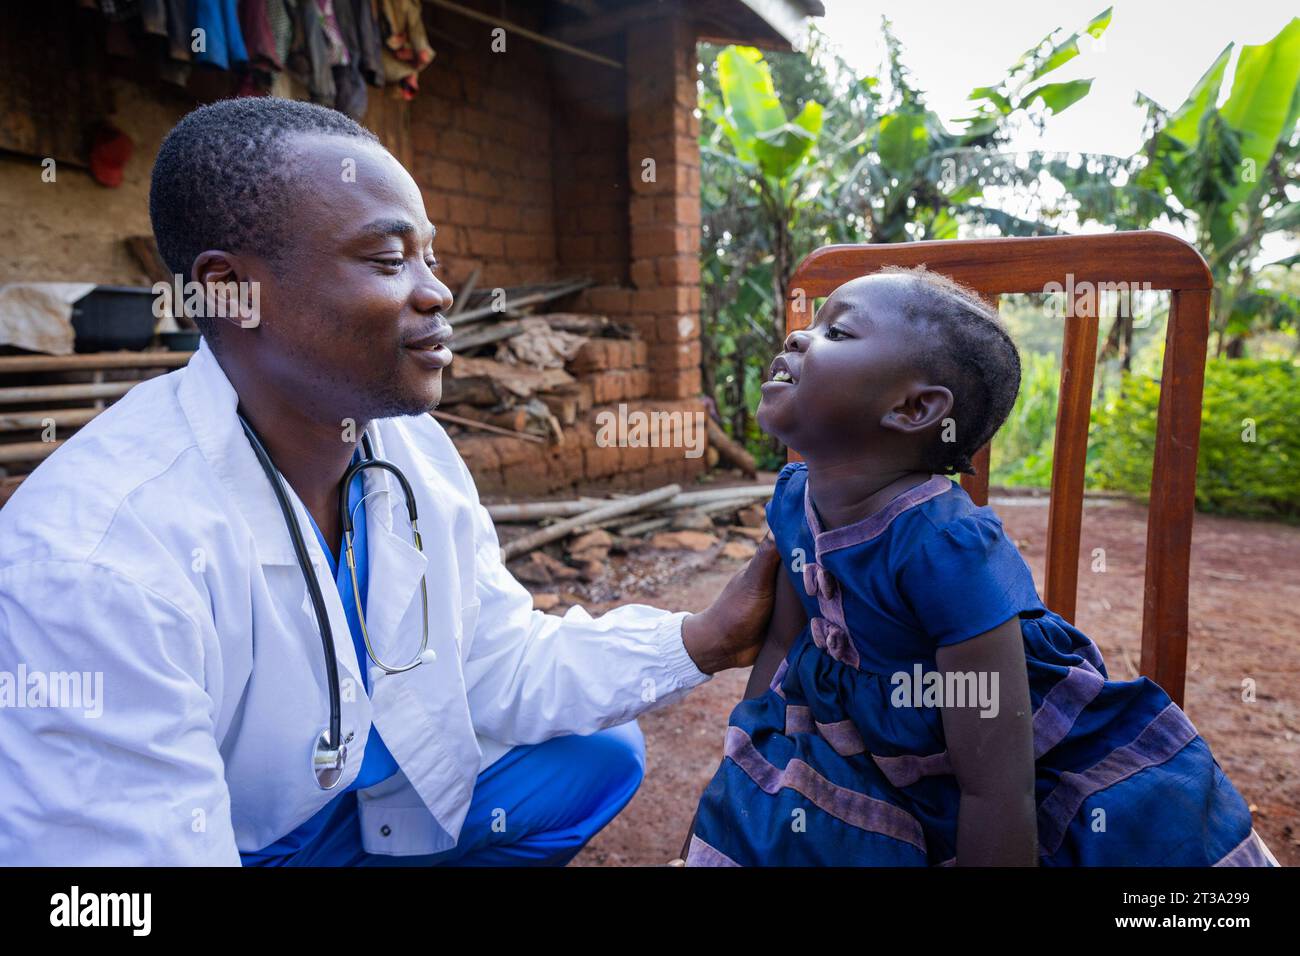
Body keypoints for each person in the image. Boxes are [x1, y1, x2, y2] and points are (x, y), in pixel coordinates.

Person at [0, 97, 780, 866]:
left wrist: (704, 640)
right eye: (386, 260)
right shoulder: (93, 565)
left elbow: (499, 661)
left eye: (428, 258)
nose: (436, 291)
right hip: (228, 843)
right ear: (230, 289)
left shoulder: (408, 448)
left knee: (597, 756)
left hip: (345, 816)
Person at [685, 267, 1277, 867]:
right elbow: (786, 638)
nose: (796, 337)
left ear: (915, 407)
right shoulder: (793, 498)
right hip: (851, 737)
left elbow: (996, 786)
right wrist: (748, 752)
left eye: (836, 331)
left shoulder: (946, 545)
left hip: (992, 747)